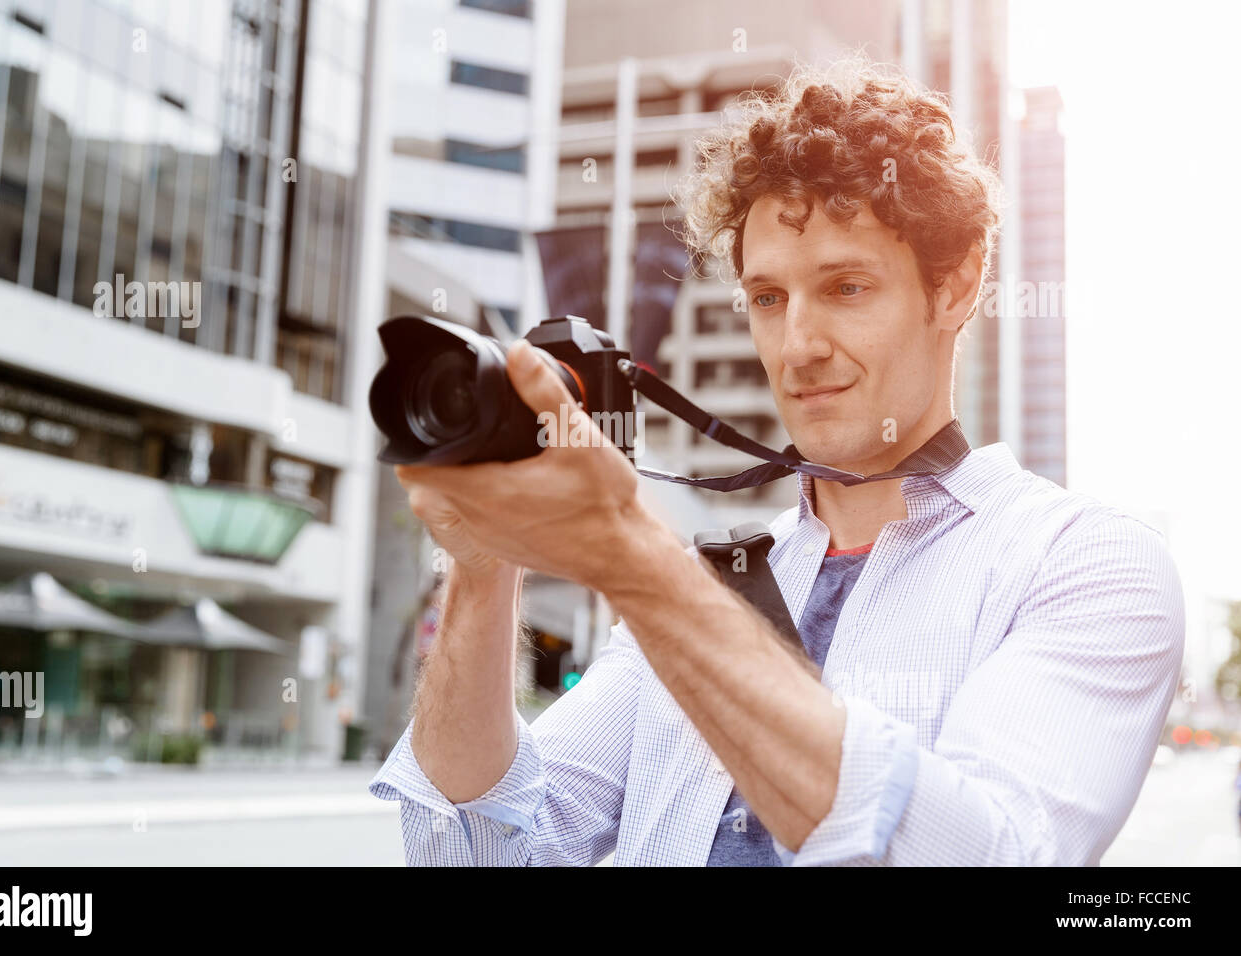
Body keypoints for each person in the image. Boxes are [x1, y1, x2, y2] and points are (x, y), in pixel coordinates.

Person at [369, 57, 1185, 866]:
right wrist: (483, 567)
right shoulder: (706, 580)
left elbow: (988, 855)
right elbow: (472, 853)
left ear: (957, 286)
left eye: (846, 288)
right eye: (768, 298)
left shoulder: (1085, 564)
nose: (797, 347)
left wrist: (628, 557)